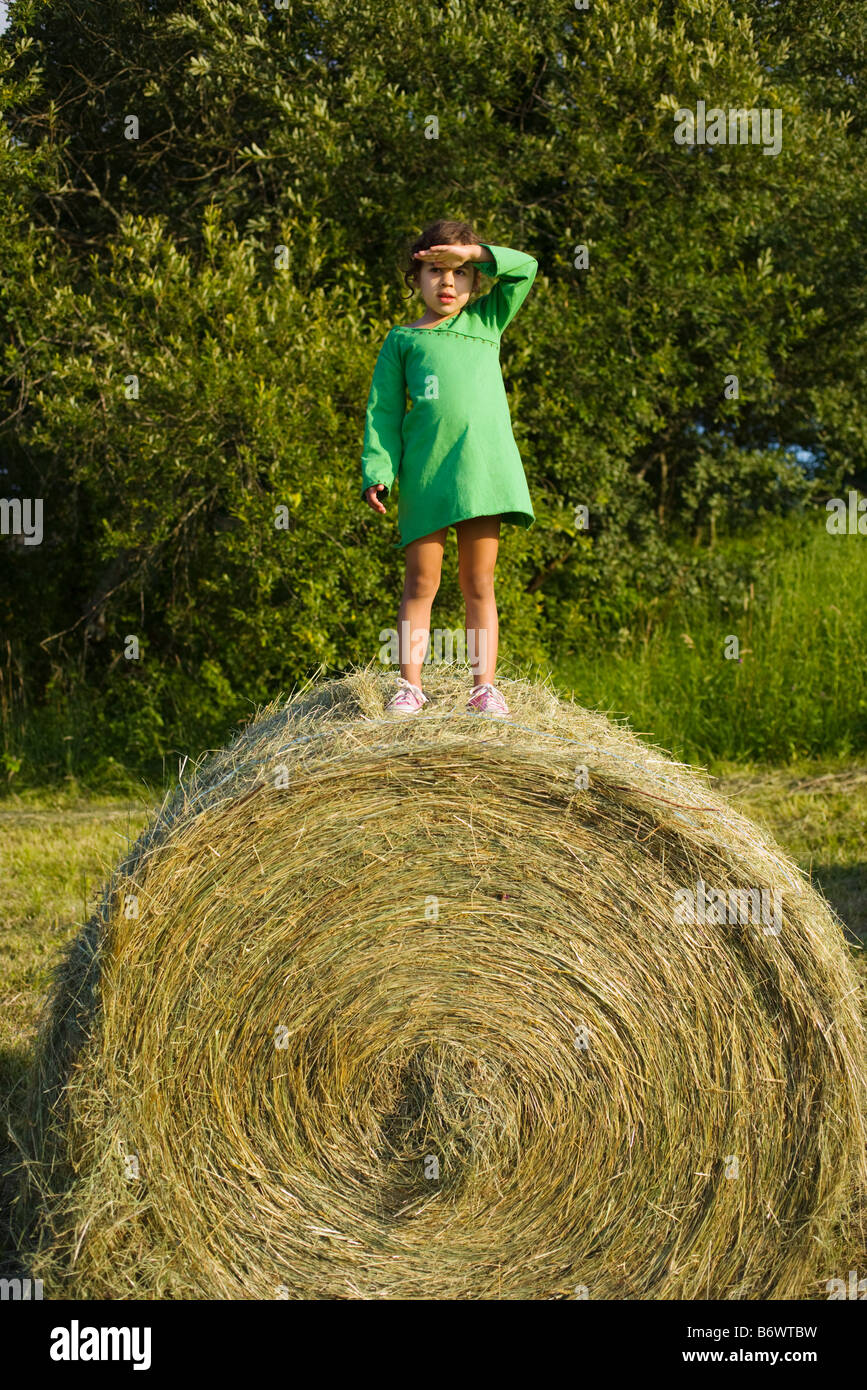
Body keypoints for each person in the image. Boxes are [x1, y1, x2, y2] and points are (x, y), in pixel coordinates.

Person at [361, 218, 537, 717]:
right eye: (435, 271)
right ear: (414, 279)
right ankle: (409, 687)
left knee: (478, 583)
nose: (447, 283)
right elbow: (384, 412)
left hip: (482, 474)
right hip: (426, 475)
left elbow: (525, 268)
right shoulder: (401, 341)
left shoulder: (487, 321)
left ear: (474, 280)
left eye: (458, 273)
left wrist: (474, 252)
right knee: (420, 583)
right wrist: (378, 469)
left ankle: (484, 688)